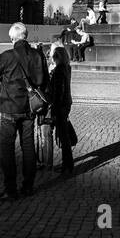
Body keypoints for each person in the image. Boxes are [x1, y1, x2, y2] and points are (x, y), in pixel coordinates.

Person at [0, 22, 46, 201]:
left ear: (12, 38)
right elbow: (44, 81)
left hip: (9, 109)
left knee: (7, 150)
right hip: (29, 108)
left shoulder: (7, 56)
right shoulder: (37, 55)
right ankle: (28, 186)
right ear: (25, 36)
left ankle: (10, 190)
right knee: (28, 148)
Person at [49, 44, 75, 176]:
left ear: (57, 57)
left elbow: (58, 92)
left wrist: (54, 110)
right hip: (67, 103)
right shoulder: (67, 68)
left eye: (54, 57)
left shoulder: (59, 70)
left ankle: (67, 166)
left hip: (60, 105)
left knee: (64, 137)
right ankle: (67, 164)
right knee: (64, 136)